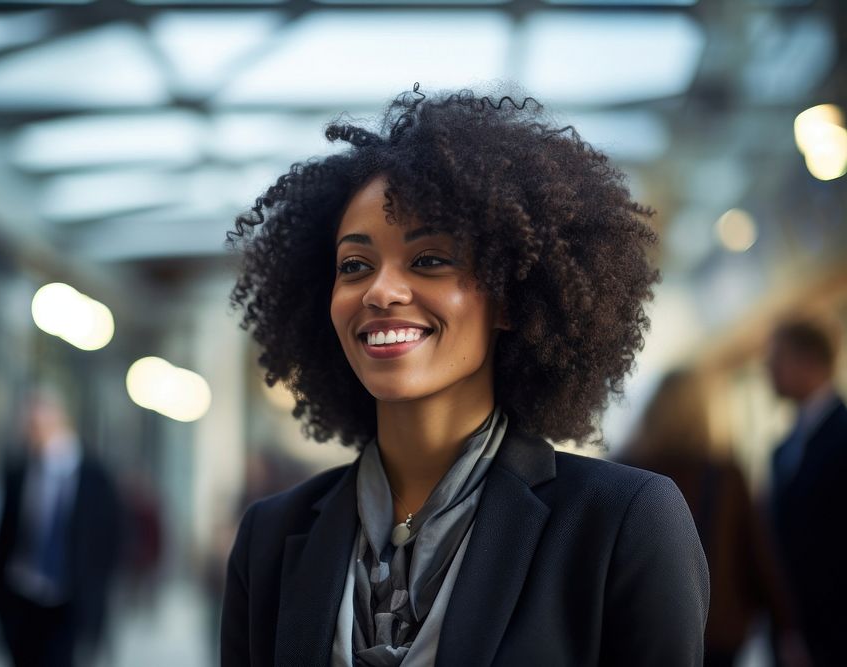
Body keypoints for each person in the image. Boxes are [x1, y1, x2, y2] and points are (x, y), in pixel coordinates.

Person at [221, 85, 709, 666]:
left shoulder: (622, 523)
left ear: (509, 297)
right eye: (354, 265)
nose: (380, 291)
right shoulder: (270, 538)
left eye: (429, 259)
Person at [620, 369, 802, 667]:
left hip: (641, 625)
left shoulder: (625, 473)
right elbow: (759, 560)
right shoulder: (727, 477)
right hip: (716, 629)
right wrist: (788, 628)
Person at [0, 388, 121, 667]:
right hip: (23, 599)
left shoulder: (95, 478)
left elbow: (111, 542)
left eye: (36, 425)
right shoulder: (18, 473)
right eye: (28, 425)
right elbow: (4, 540)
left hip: (69, 603)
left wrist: (95, 599)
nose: (30, 432)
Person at [767, 317, 847, 666]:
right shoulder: (783, 447)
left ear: (809, 360)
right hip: (796, 628)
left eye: (776, 358)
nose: (767, 369)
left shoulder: (843, 437)